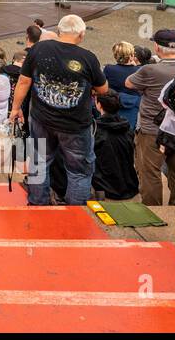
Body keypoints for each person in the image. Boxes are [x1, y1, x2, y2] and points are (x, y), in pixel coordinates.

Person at [8, 14, 109, 206]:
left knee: (39, 162)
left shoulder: (38, 49)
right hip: (75, 125)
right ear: (81, 34)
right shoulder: (88, 58)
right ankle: (76, 213)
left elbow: (24, 80)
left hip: (41, 120)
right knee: (78, 171)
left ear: (60, 31)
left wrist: (15, 109)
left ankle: (38, 203)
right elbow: (103, 89)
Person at [125, 29, 175, 206]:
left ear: (157, 47)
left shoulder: (150, 69)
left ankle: (153, 212)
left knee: (150, 173)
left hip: (151, 130)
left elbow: (129, 82)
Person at [91, 92, 137, 200]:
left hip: (105, 187)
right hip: (129, 185)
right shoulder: (127, 128)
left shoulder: (95, 129)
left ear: (99, 105)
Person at [102, 41, 142, 132]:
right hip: (133, 107)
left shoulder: (109, 69)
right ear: (131, 55)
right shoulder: (139, 70)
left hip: (114, 106)